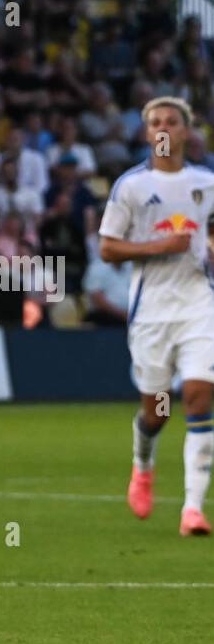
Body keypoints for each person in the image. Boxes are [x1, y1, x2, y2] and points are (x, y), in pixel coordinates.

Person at [98, 96, 214, 535]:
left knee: (200, 395)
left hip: (198, 304)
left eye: (172, 122)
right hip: (151, 312)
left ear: (185, 132)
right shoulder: (130, 187)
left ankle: (192, 509)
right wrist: (157, 247)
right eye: (156, 123)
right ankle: (143, 463)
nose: (164, 129)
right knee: (159, 411)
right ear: (148, 134)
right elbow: (108, 248)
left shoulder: (206, 182)